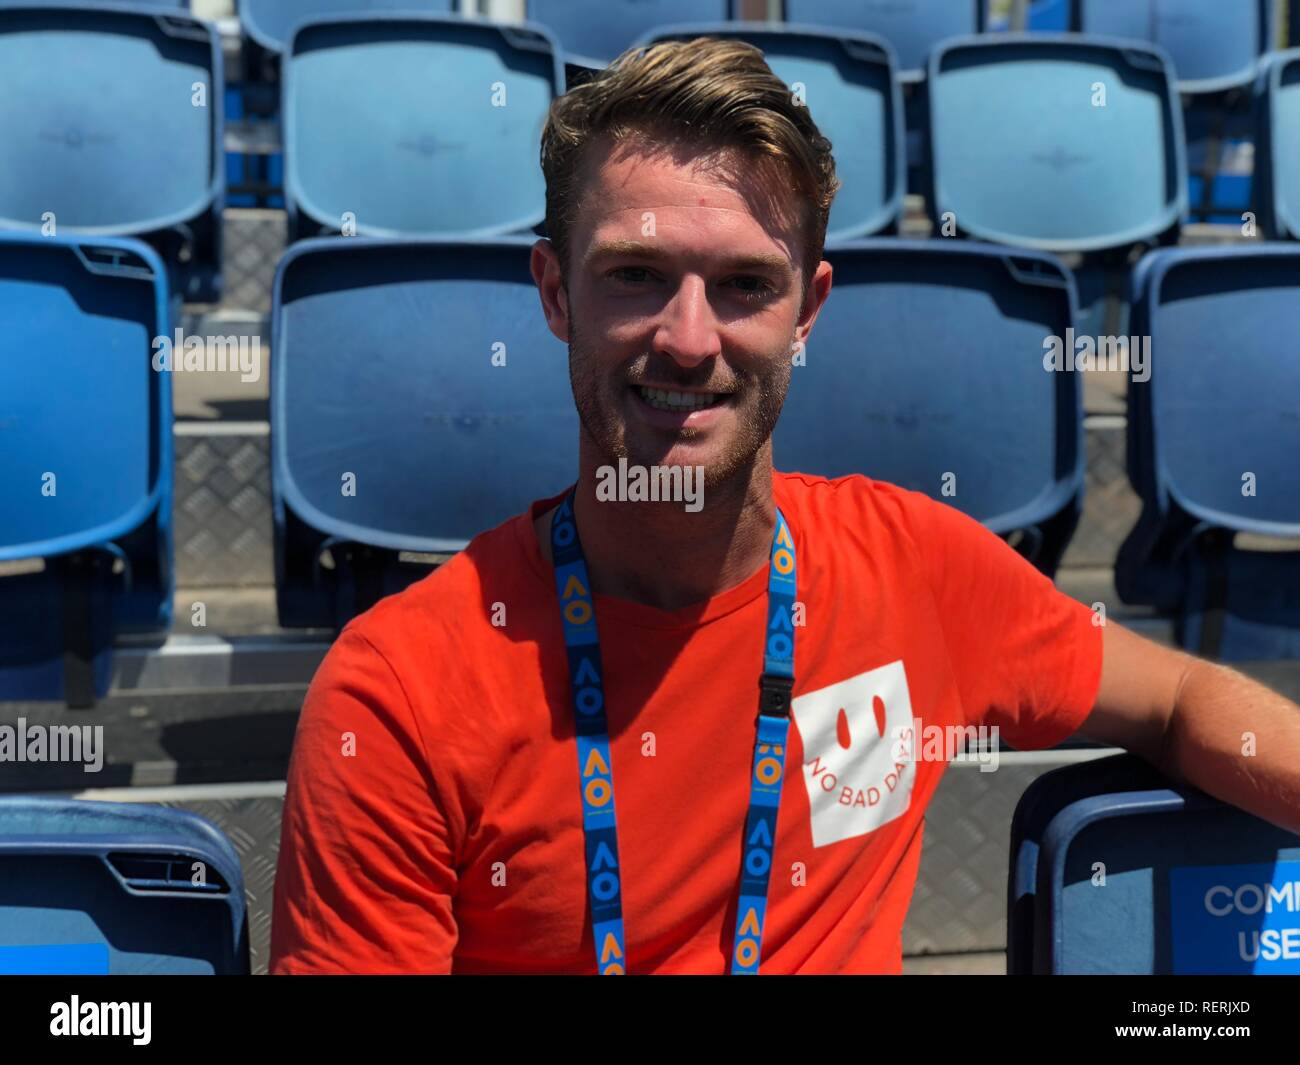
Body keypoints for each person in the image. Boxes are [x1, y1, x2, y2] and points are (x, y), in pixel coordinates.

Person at [270, 37, 1300, 975]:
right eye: (634, 275)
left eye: (743, 286)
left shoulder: (917, 566)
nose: (686, 337)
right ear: (553, 294)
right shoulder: (396, 692)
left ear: (806, 309)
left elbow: (1182, 705)